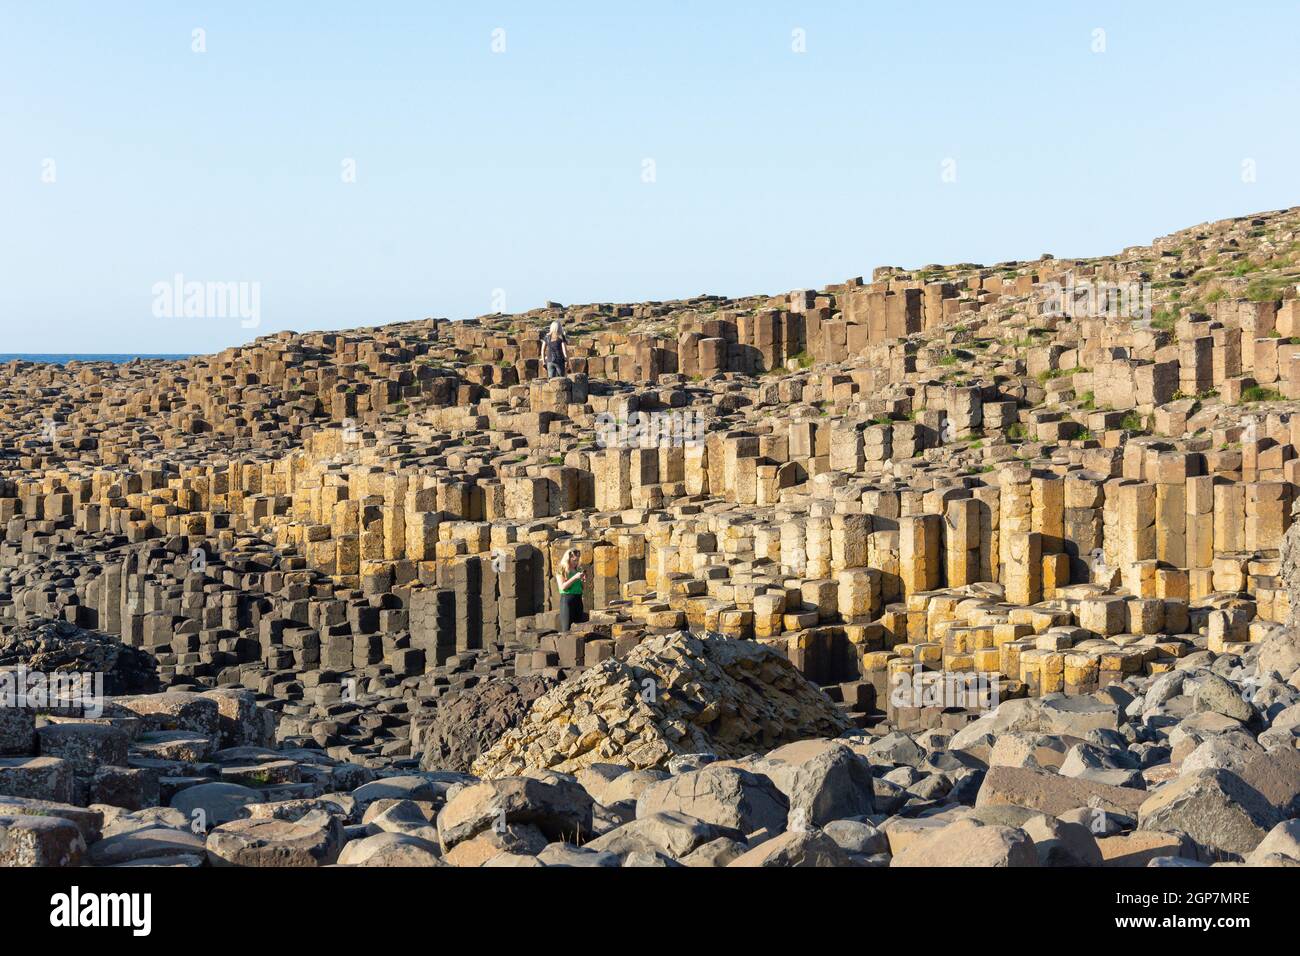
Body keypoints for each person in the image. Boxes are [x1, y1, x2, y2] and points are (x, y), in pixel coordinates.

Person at [555, 547, 588, 633]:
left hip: (578, 599)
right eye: (574, 560)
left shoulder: (577, 570)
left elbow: (582, 588)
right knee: (566, 629)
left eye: (577, 560)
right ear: (568, 559)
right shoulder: (561, 569)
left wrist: (583, 580)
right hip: (567, 600)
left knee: (579, 629)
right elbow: (562, 587)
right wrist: (574, 577)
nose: (576, 562)